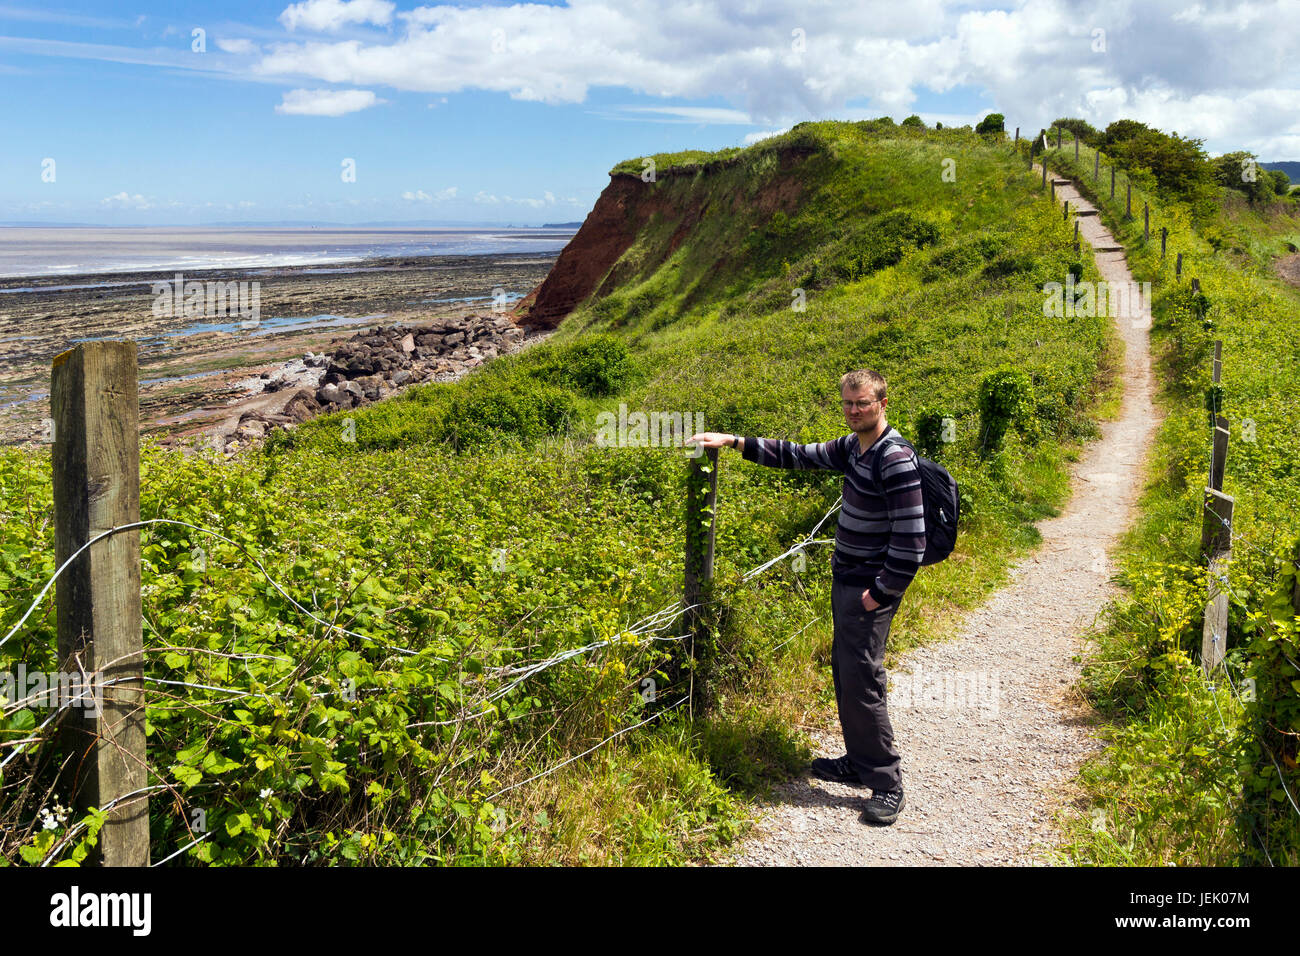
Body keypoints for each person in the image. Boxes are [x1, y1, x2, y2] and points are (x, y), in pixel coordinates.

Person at [688, 368, 924, 825]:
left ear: (882, 403)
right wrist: (735, 441)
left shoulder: (893, 458)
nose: (855, 410)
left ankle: (887, 782)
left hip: (868, 589)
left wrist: (879, 594)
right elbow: (795, 455)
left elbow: (911, 541)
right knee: (846, 670)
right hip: (848, 582)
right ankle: (859, 761)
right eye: (848, 403)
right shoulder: (854, 448)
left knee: (862, 678)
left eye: (863, 403)